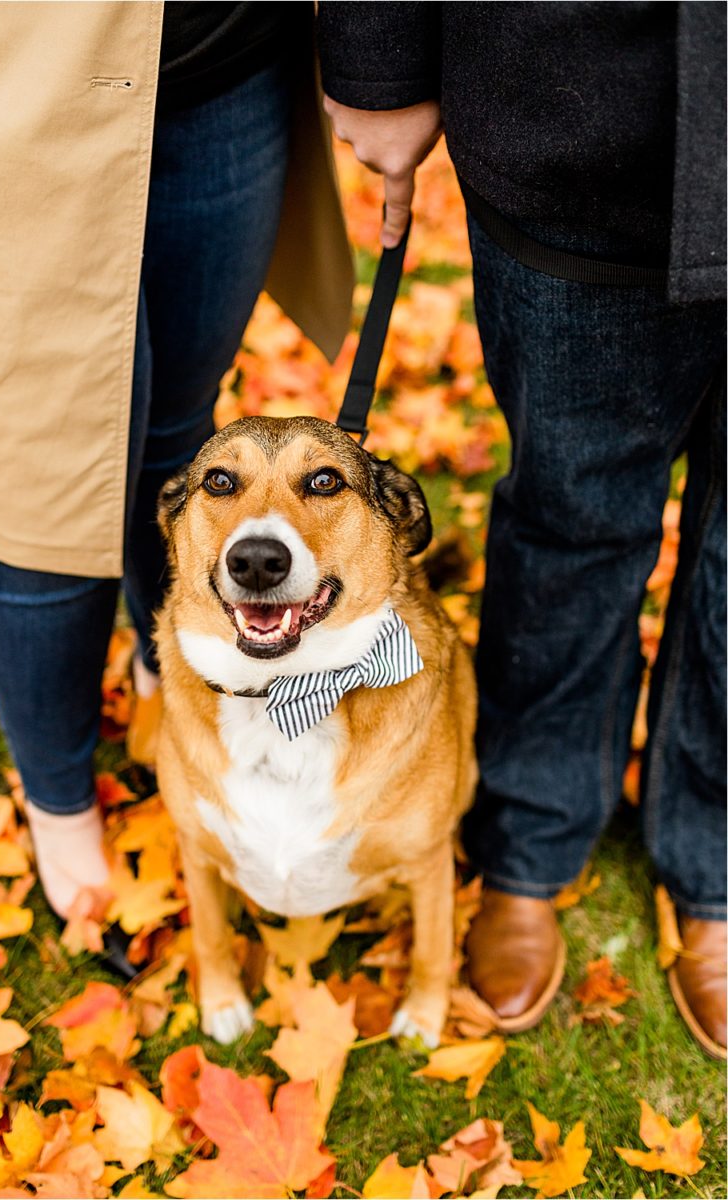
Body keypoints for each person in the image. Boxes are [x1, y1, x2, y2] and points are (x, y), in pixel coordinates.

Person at [318, 2, 726, 1057]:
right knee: (571, 525)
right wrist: (376, 60)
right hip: (578, 128)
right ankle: (531, 841)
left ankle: (716, 857)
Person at [0, 2, 352, 973]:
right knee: (33, 486)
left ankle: (173, 666)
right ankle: (59, 797)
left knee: (176, 430)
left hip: (226, 63)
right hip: (19, 87)